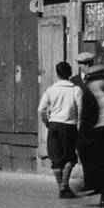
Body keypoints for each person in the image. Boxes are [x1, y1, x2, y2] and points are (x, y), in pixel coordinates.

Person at [76, 52, 104, 208]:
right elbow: (86, 119)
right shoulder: (89, 94)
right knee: (103, 166)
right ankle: (100, 192)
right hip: (94, 135)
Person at [38, 61, 81, 198]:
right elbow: (82, 109)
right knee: (70, 157)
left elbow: (41, 110)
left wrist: (47, 123)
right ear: (70, 74)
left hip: (54, 125)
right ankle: (64, 187)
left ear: (57, 74)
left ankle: (61, 187)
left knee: (56, 158)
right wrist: (79, 125)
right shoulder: (76, 90)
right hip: (69, 126)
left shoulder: (50, 90)